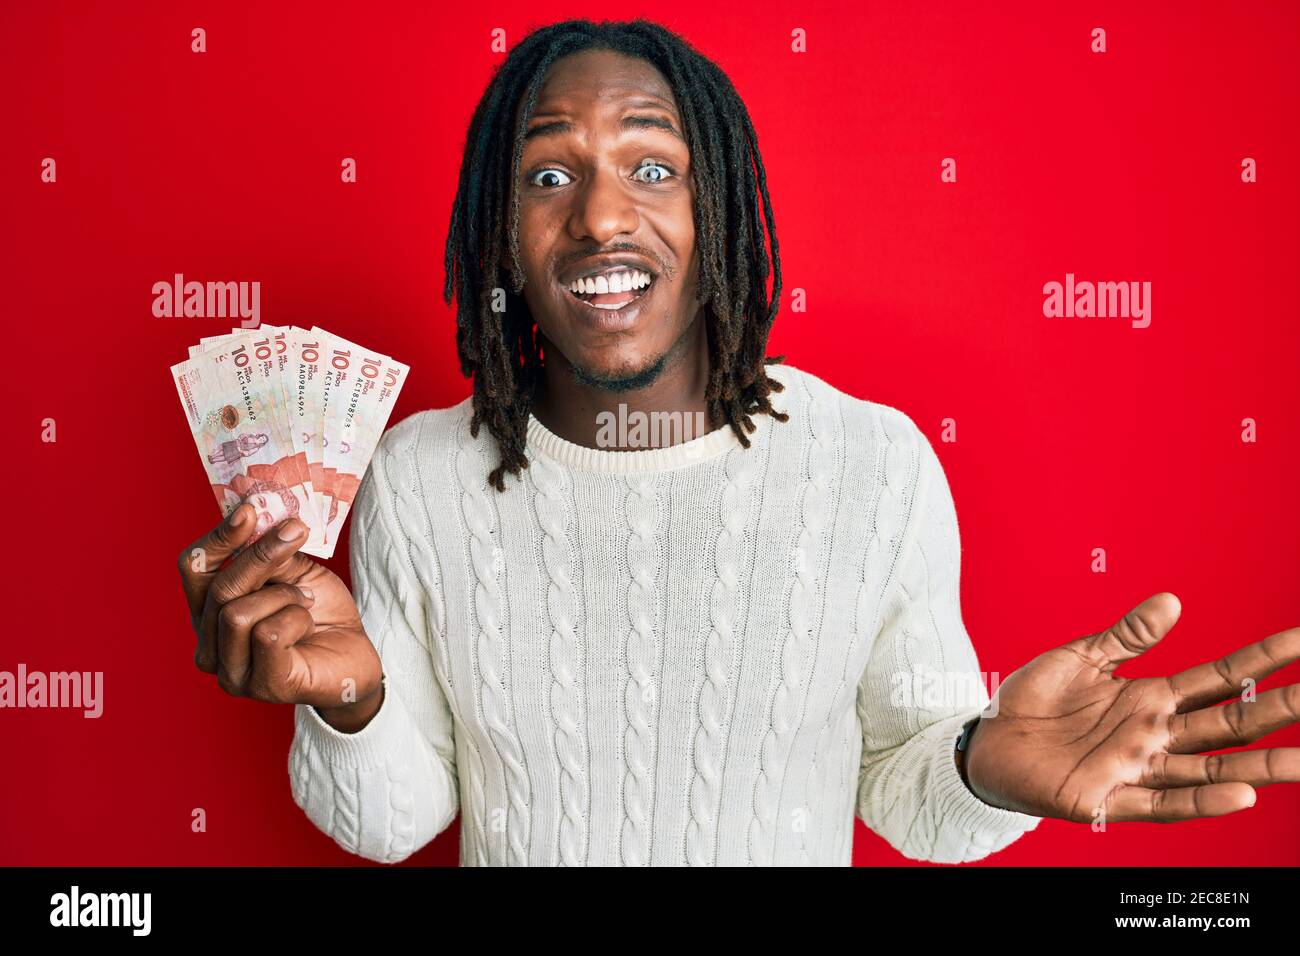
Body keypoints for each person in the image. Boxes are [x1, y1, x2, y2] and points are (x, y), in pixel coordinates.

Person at [177, 18, 1299, 867]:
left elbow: (911, 794)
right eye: (548, 174)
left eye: (654, 168)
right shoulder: (420, 477)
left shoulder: (875, 464)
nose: (603, 218)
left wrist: (978, 766)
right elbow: (394, 821)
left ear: (722, 208)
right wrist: (352, 703)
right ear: (497, 232)